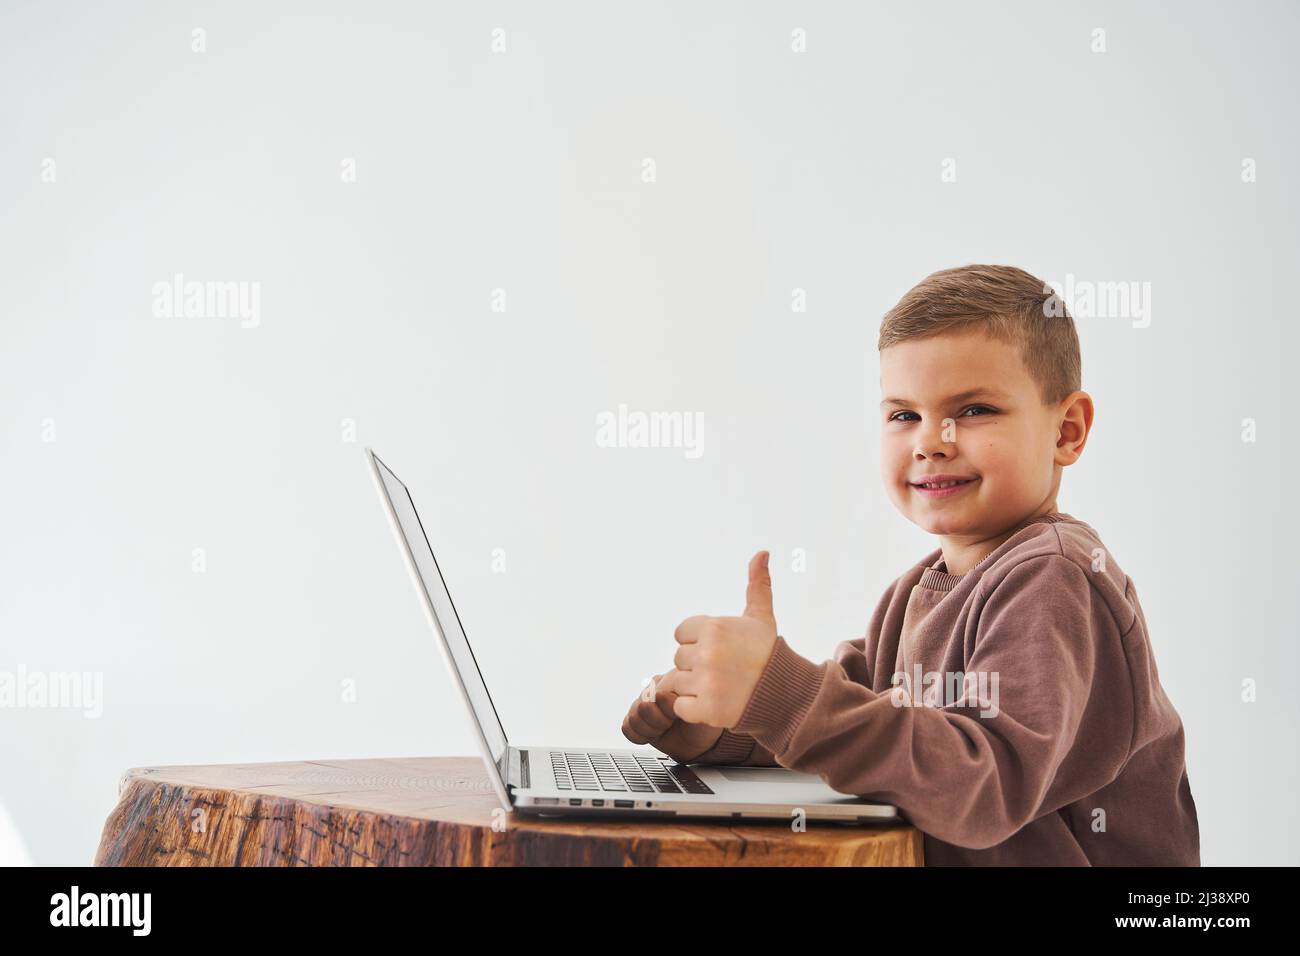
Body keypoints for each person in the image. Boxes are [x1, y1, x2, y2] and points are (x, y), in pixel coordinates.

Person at [621, 264, 1199, 866]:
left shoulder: (1055, 578)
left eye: (974, 410)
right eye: (904, 415)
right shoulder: (916, 593)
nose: (931, 441)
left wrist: (779, 693)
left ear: (1067, 431)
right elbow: (866, 725)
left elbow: (985, 786)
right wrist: (730, 724)